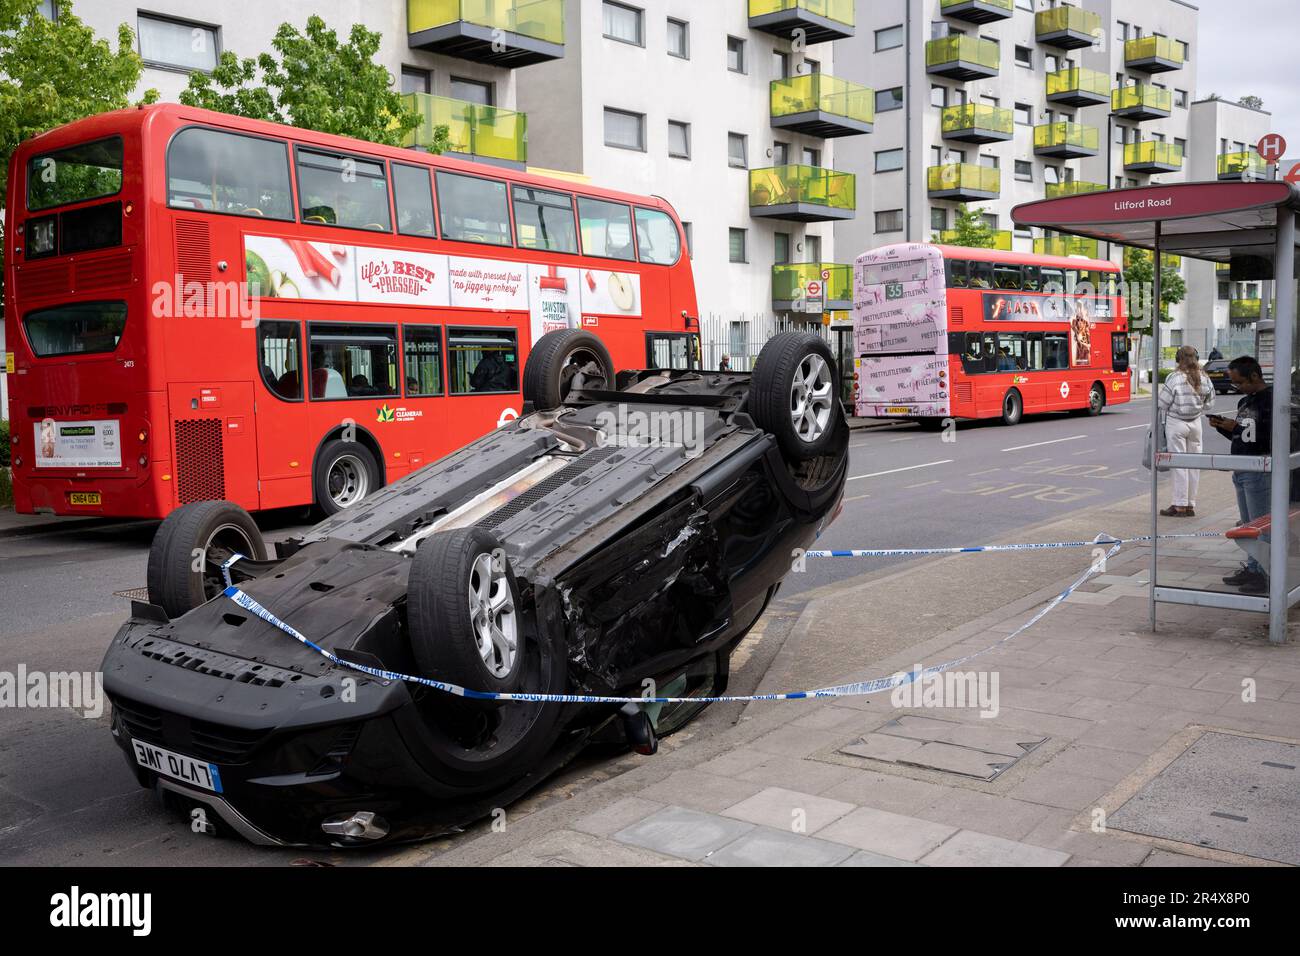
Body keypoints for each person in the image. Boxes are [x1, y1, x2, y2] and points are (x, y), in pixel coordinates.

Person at [1209, 356, 1272, 593]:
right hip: (1242, 466)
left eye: (1239, 382)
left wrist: (1234, 427)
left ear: (1254, 376)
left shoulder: (1270, 401)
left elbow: (1267, 436)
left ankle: (1264, 572)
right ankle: (1253, 567)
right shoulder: (1245, 401)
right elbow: (1242, 437)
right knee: (1248, 524)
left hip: (1259, 468)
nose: (1236, 387)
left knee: (1260, 525)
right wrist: (1226, 428)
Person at [1157, 346, 1214, 518]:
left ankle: (1179, 505)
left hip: (1176, 423)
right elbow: (1210, 404)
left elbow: (1163, 403)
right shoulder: (1204, 377)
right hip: (1196, 424)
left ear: (1178, 359)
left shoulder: (1174, 377)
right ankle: (1190, 505)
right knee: (1194, 464)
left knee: (1179, 464)